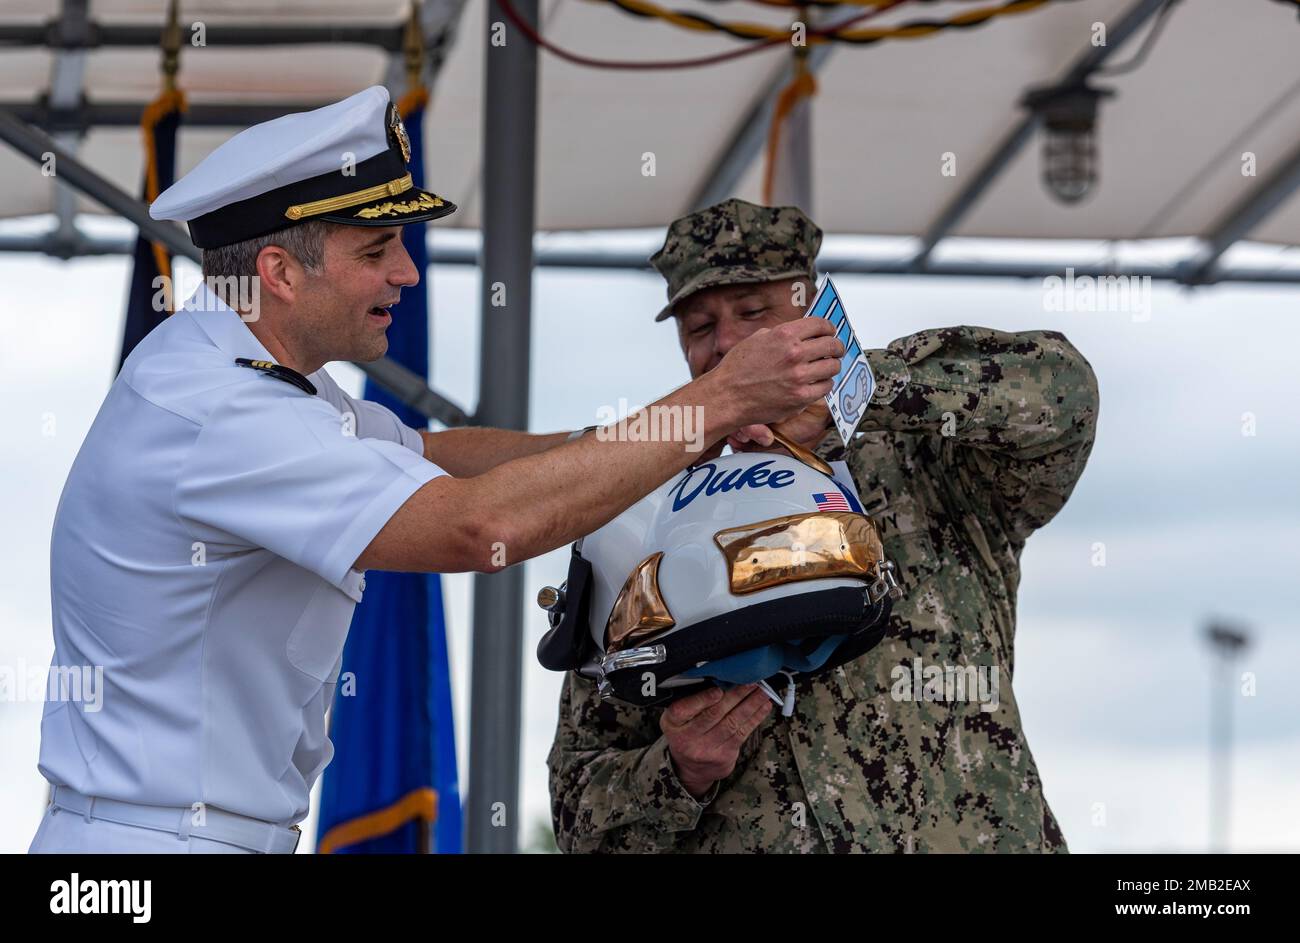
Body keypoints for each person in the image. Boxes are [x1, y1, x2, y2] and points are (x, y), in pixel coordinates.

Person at [27, 95, 840, 854]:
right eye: (377, 250)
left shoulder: (255, 375)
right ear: (278, 271)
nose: (407, 274)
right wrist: (717, 398)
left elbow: (440, 456)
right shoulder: (223, 412)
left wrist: (687, 429)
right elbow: (477, 524)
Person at [547, 198, 1099, 853]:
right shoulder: (648, 514)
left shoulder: (924, 461)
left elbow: (1065, 394)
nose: (725, 343)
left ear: (812, 313)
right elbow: (579, 811)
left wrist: (855, 394)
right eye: (699, 325)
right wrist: (678, 770)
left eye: (755, 311)